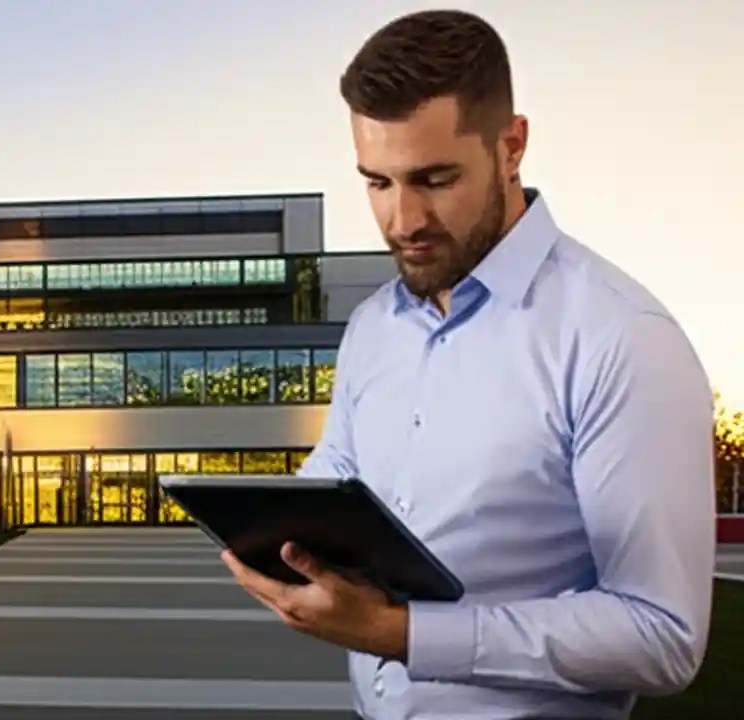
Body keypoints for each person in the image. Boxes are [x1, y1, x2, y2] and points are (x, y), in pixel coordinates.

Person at [220, 8, 716, 719]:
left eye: (434, 179)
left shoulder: (619, 338)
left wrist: (402, 634)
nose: (403, 221)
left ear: (511, 147)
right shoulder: (373, 329)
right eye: (378, 183)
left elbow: (661, 634)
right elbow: (337, 476)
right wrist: (274, 537)